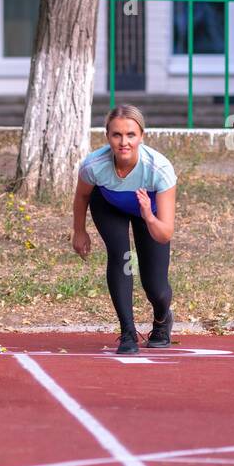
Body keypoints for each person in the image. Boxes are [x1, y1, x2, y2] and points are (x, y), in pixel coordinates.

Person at [71, 105, 177, 355]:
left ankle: (162, 320)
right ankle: (128, 332)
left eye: (130, 135)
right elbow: (82, 196)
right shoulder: (93, 165)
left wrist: (149, 216)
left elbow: (165, 233)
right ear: (107, 136)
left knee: (156, 287)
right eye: (116, 135)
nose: (123, 142)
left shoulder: (158, 169)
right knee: (121, 257)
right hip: (109, 206)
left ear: (141, 136)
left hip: (148, 215)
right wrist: (79, 230)